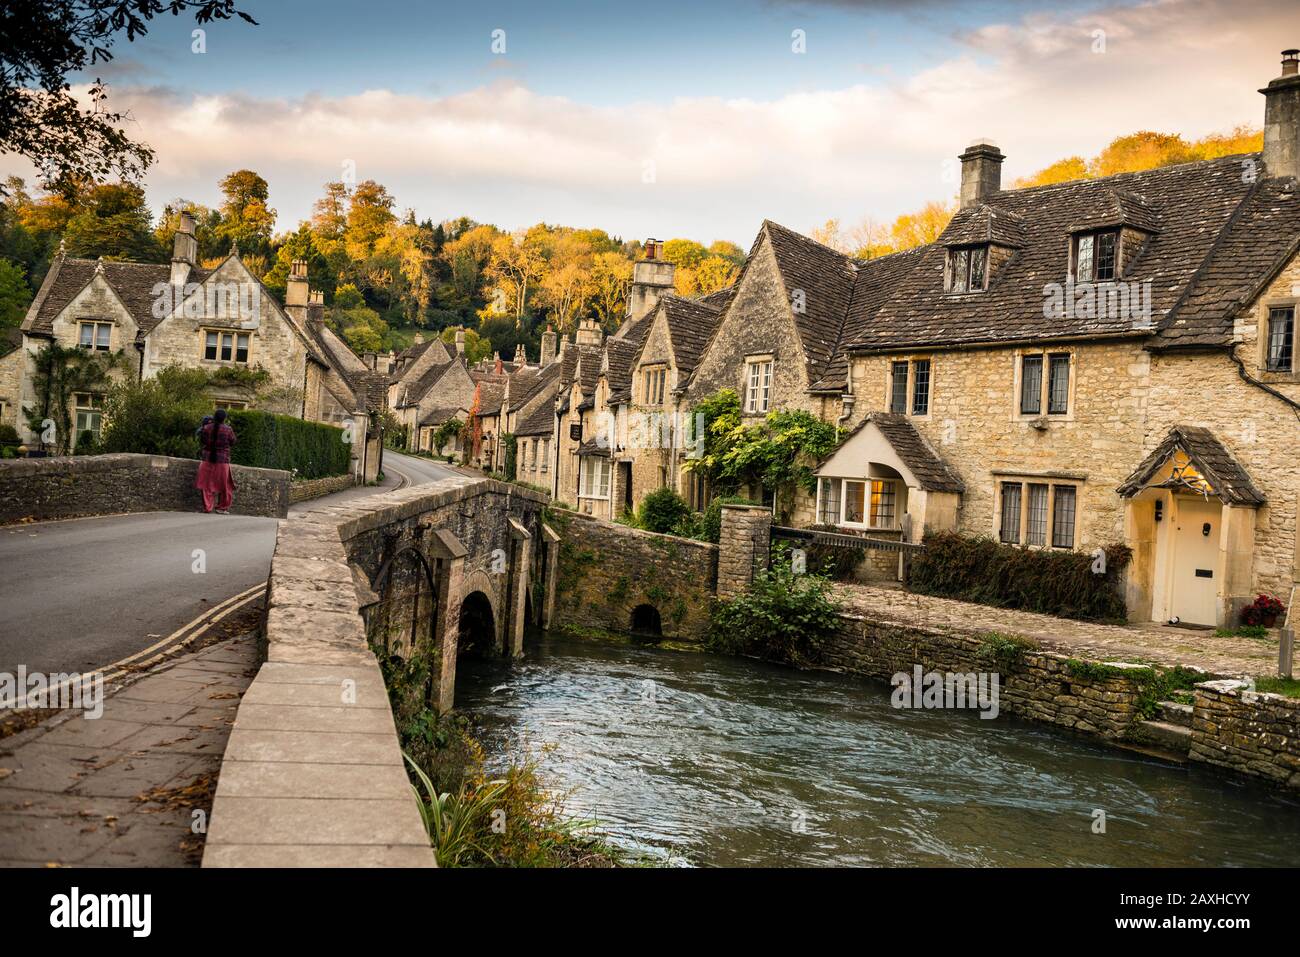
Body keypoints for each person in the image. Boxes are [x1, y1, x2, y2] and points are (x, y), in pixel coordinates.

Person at [196, 409, 237, 514]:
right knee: (226, 486)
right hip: (223, 460)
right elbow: (233, 441)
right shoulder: (228, 429)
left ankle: (208, 507)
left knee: (206, 485)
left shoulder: (206, 428)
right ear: (224, 418)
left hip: (207, 459)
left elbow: (203, 440)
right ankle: (221, 508)